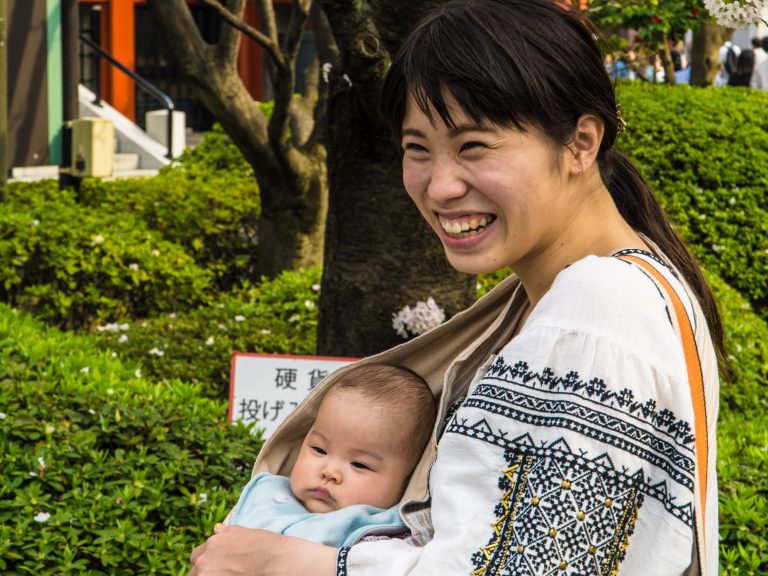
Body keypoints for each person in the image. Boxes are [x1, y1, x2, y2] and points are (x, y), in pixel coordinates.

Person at [188, 1, 722, 574]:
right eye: (417, 149)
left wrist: (280, 560)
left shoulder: (594, 312)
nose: (439, 186)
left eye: (473, 146)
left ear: (580, 143)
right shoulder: (602, 288)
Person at [224, 364, 436, 547]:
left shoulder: (385, 537)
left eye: (360, 464)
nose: (329, 472)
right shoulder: (268, 495)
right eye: (319, 450)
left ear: (407, 479)